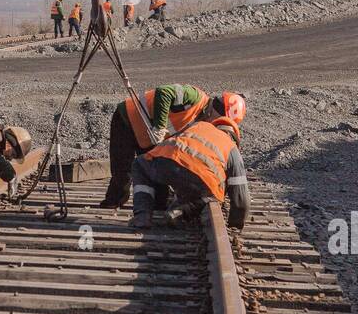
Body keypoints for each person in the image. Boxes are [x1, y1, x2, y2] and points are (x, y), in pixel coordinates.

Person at [130, 102, 250, 231]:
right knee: (211, 196)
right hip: (201, 177)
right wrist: (235, 225)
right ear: (235, 137)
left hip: (166, 159)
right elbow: (241, 198)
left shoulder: (199, 125)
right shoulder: (231, 147)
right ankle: (178, 213)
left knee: (140, 164)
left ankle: (142, 215)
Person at [100, 83, 212, 208]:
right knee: (122, 167)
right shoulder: (195, 97)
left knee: (155, 168)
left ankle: (160, 204)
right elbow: (164, 92)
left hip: (147, 133)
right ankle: (114, 201)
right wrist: (160, 127)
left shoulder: (201, 121)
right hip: (127, 117)